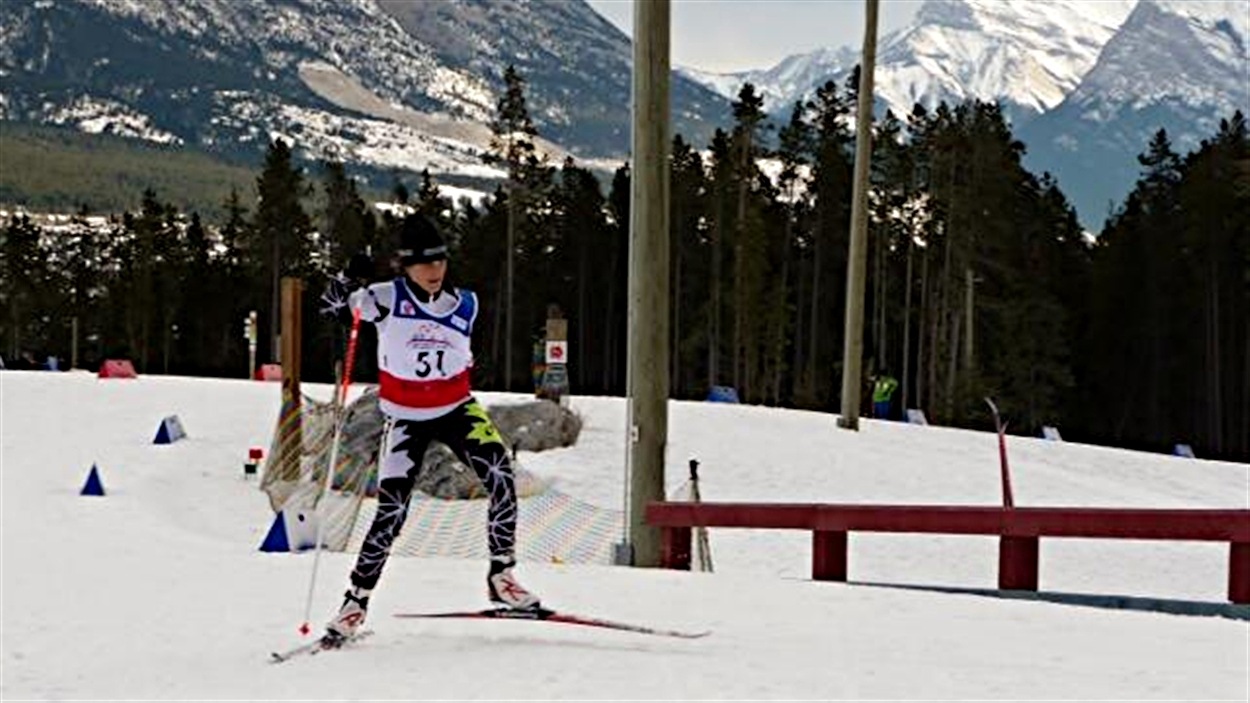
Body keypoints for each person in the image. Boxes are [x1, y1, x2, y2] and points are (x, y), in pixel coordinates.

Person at [318, 214, 540, 646]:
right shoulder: (384, 297)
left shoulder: (467, 303)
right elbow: (330, 309)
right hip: (405, 417)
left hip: (456, 409)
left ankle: (502, 576)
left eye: (440, 260)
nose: (434, 270)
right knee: (392, 510)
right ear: (405, 266)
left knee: (501, 476)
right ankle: (354, 602)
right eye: (423, 263)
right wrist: (347, 277)